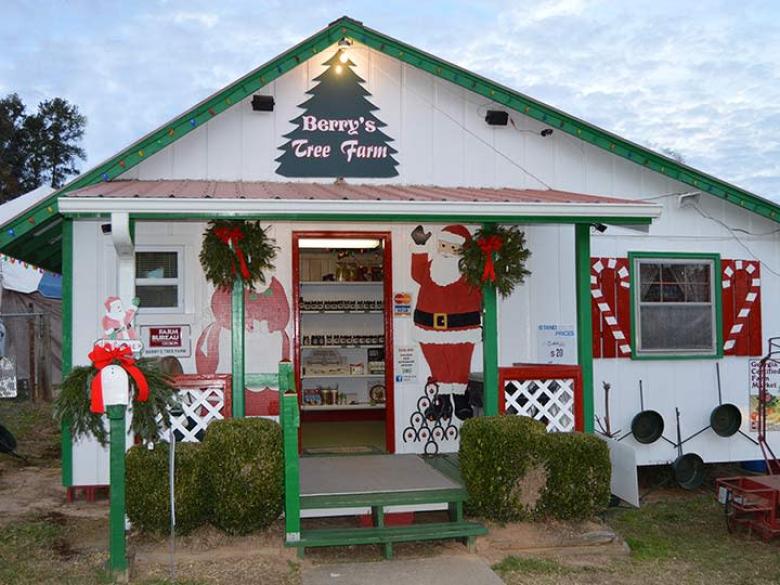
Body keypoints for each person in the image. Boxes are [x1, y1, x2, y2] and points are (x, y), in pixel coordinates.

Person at [411, 224, 482, 420]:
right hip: (428, 325)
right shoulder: (431, 268)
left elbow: (481, 289)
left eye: (454, 248)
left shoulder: (469, 273)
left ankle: (459, 399)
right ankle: (442, 398)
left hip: (461, 327)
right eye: (444, 245)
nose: (447, 252)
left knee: (459, 361)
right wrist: (419, 246)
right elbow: (417, 273)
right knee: (436, 360)